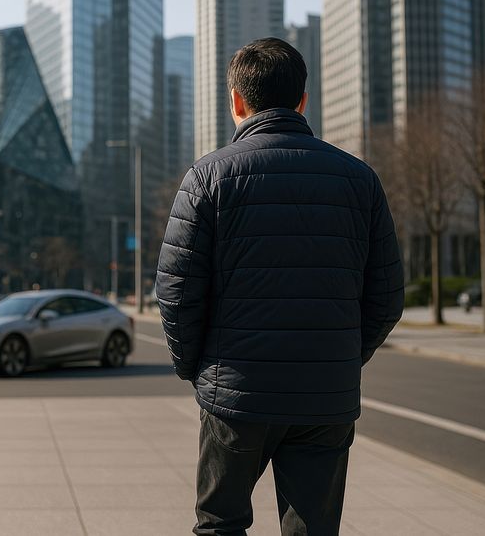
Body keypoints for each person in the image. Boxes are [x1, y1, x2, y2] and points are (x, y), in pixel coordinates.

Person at [155, 38, 404, 535]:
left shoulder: (208, 177)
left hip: (236, 393)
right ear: (303, 100)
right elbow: (387, 296)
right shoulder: (360, 180)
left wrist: (196, 368)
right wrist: (341, 358)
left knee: (221, 524)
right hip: (324, 398)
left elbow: (176, 291)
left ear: (236, 101)